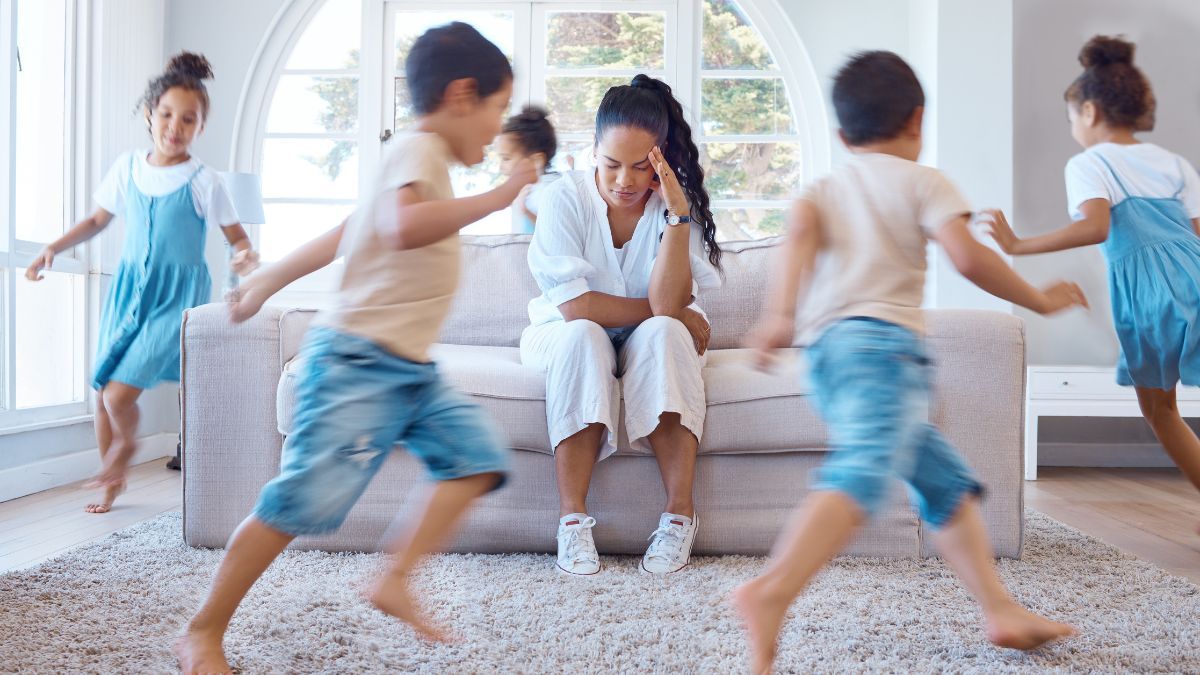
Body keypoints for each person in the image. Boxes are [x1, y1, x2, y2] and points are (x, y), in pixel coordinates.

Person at [174, 22, 537, 674]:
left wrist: (267, 278)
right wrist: (503, 195)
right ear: (461, 96)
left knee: (474, 458)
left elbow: (351, 230)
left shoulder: (416, 163)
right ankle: (203, 628)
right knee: (301, 501)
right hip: (355, 364)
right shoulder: (420, 150)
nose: (496, 129)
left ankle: (395, 577)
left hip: (408, 370)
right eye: (496, 110)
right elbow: (399, 228)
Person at [732, 51, 1083, 673]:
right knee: (865, 470)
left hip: (829, 359)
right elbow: (969, 260)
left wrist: (779, 316)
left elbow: (797, 240)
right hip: (880, 354)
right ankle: (772, 591)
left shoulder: (824, 188)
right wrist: (1039, 298)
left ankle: (1000, 609)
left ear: (842, 134)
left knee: (946, 484)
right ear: (917, 120)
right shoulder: (925, 182)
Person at [25, 52, 258, 513]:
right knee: (102, 391)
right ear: (150, 114)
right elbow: (97, 219)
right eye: (167, 114)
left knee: (119, 393)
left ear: (201, 127)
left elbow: (238, 239)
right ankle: (113, 481)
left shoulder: (204, 181)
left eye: (188, 119)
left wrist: (246, 263)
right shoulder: (128, 168)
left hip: (174, 297)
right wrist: (55, 245)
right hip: (128, 291)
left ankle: (127, 449)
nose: (175, 126)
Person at [988, 36, 1200, 519]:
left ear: (1088, 112)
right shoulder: (1175, 164)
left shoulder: (1089, 163)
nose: (1072, 129)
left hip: (1151, 294)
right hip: (1196, 276)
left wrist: (1018, 245)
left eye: (1070, 119)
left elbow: (1096, 226)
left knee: (1162, 412)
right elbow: (1197, 236)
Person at [521, 74, 722, 576]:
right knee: (585, 336)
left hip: (643, 338)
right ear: (592, 150)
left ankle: (679, 516)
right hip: (564, 334)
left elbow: (668, 306)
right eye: (611, 164)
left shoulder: (672, 205)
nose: (624, 182)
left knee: (667, 333)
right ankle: (571, 520)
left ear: (659, 160)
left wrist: (677, 217)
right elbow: (576, 308)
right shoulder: (563, 199)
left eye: (639, 167)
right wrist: (666, 309)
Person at [497, 105, 561, 233]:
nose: (501, 168)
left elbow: (554, 233)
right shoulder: (531, 190)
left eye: (506, 158)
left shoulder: (548, 191)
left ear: (536, 161)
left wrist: (525, 210)